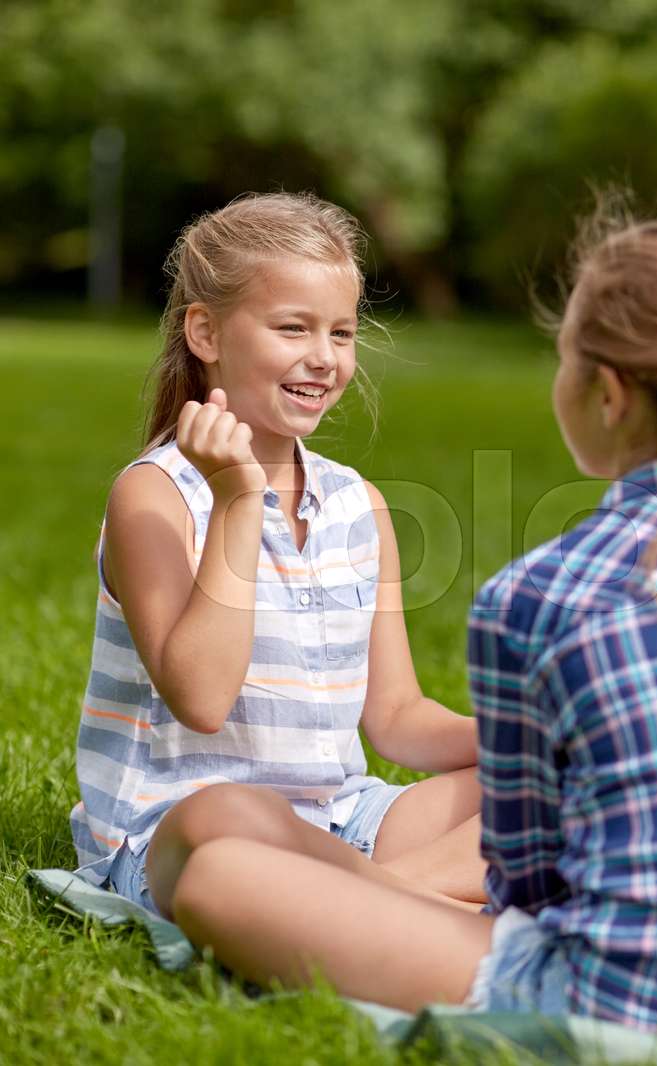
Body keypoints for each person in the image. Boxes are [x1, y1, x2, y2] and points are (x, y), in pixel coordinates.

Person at [163, 214, 657, 1065]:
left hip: (613, 1011)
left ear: (609, 395)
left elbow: (531, 886)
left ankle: (373, 898)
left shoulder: (537, 596)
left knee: (219, 879)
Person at [70, 192, 484, 919]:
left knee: (539, 793)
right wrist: (237, 499)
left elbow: (395, 716)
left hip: (342, 820)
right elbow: (200, 700)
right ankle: (421, 901)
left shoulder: (359, 505)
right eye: (293, 328)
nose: (323, 358)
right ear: (206, 331)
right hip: (186, 828)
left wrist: (527, 741)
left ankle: (388, 898)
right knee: (225, 820)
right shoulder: (156, 499)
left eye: (343, 333)